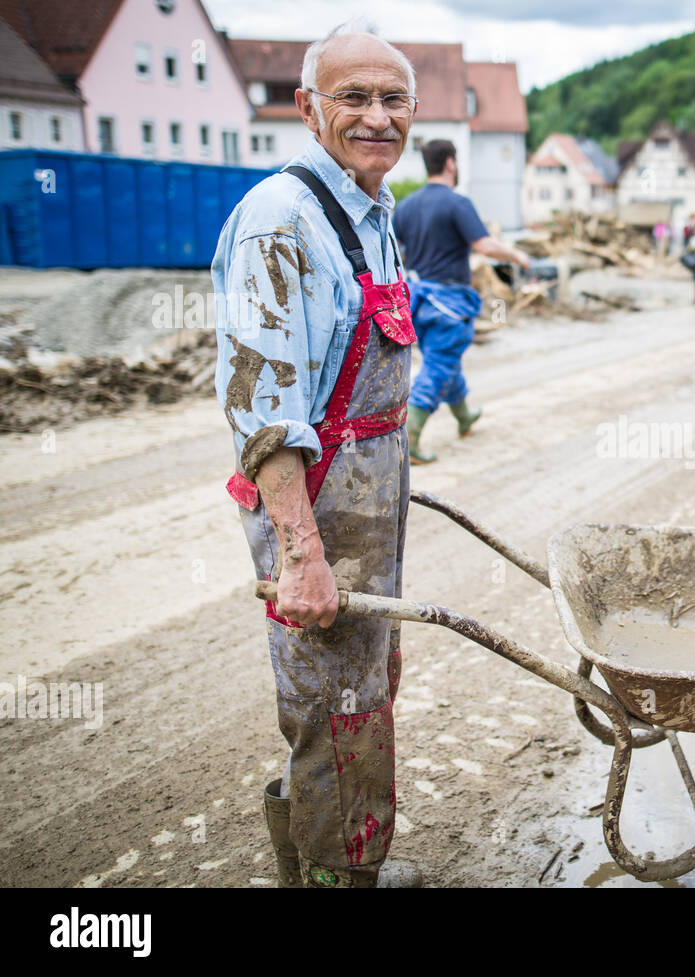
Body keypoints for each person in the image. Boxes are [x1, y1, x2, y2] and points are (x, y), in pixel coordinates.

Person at [212, 21, 425, 887]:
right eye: (354, 97)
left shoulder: (375, 214)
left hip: (368, 503)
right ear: (308, 109)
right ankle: (342, 877)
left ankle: (315, 862)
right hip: (317, 508)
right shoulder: (281, 220)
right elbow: (264, 414)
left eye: (393, 99)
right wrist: (302, 554)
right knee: (335, 707)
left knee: (359, 691)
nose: (377, 117)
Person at [394, 140, 530, 464]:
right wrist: (518, 255)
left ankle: (465, 415)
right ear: (451, 164)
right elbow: (484, 245)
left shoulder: (406, 206)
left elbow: (391, 251)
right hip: (449, 303)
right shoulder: (458, 203)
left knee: (445, 359)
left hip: (417, 302)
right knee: (439, 364)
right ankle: (411, 436)